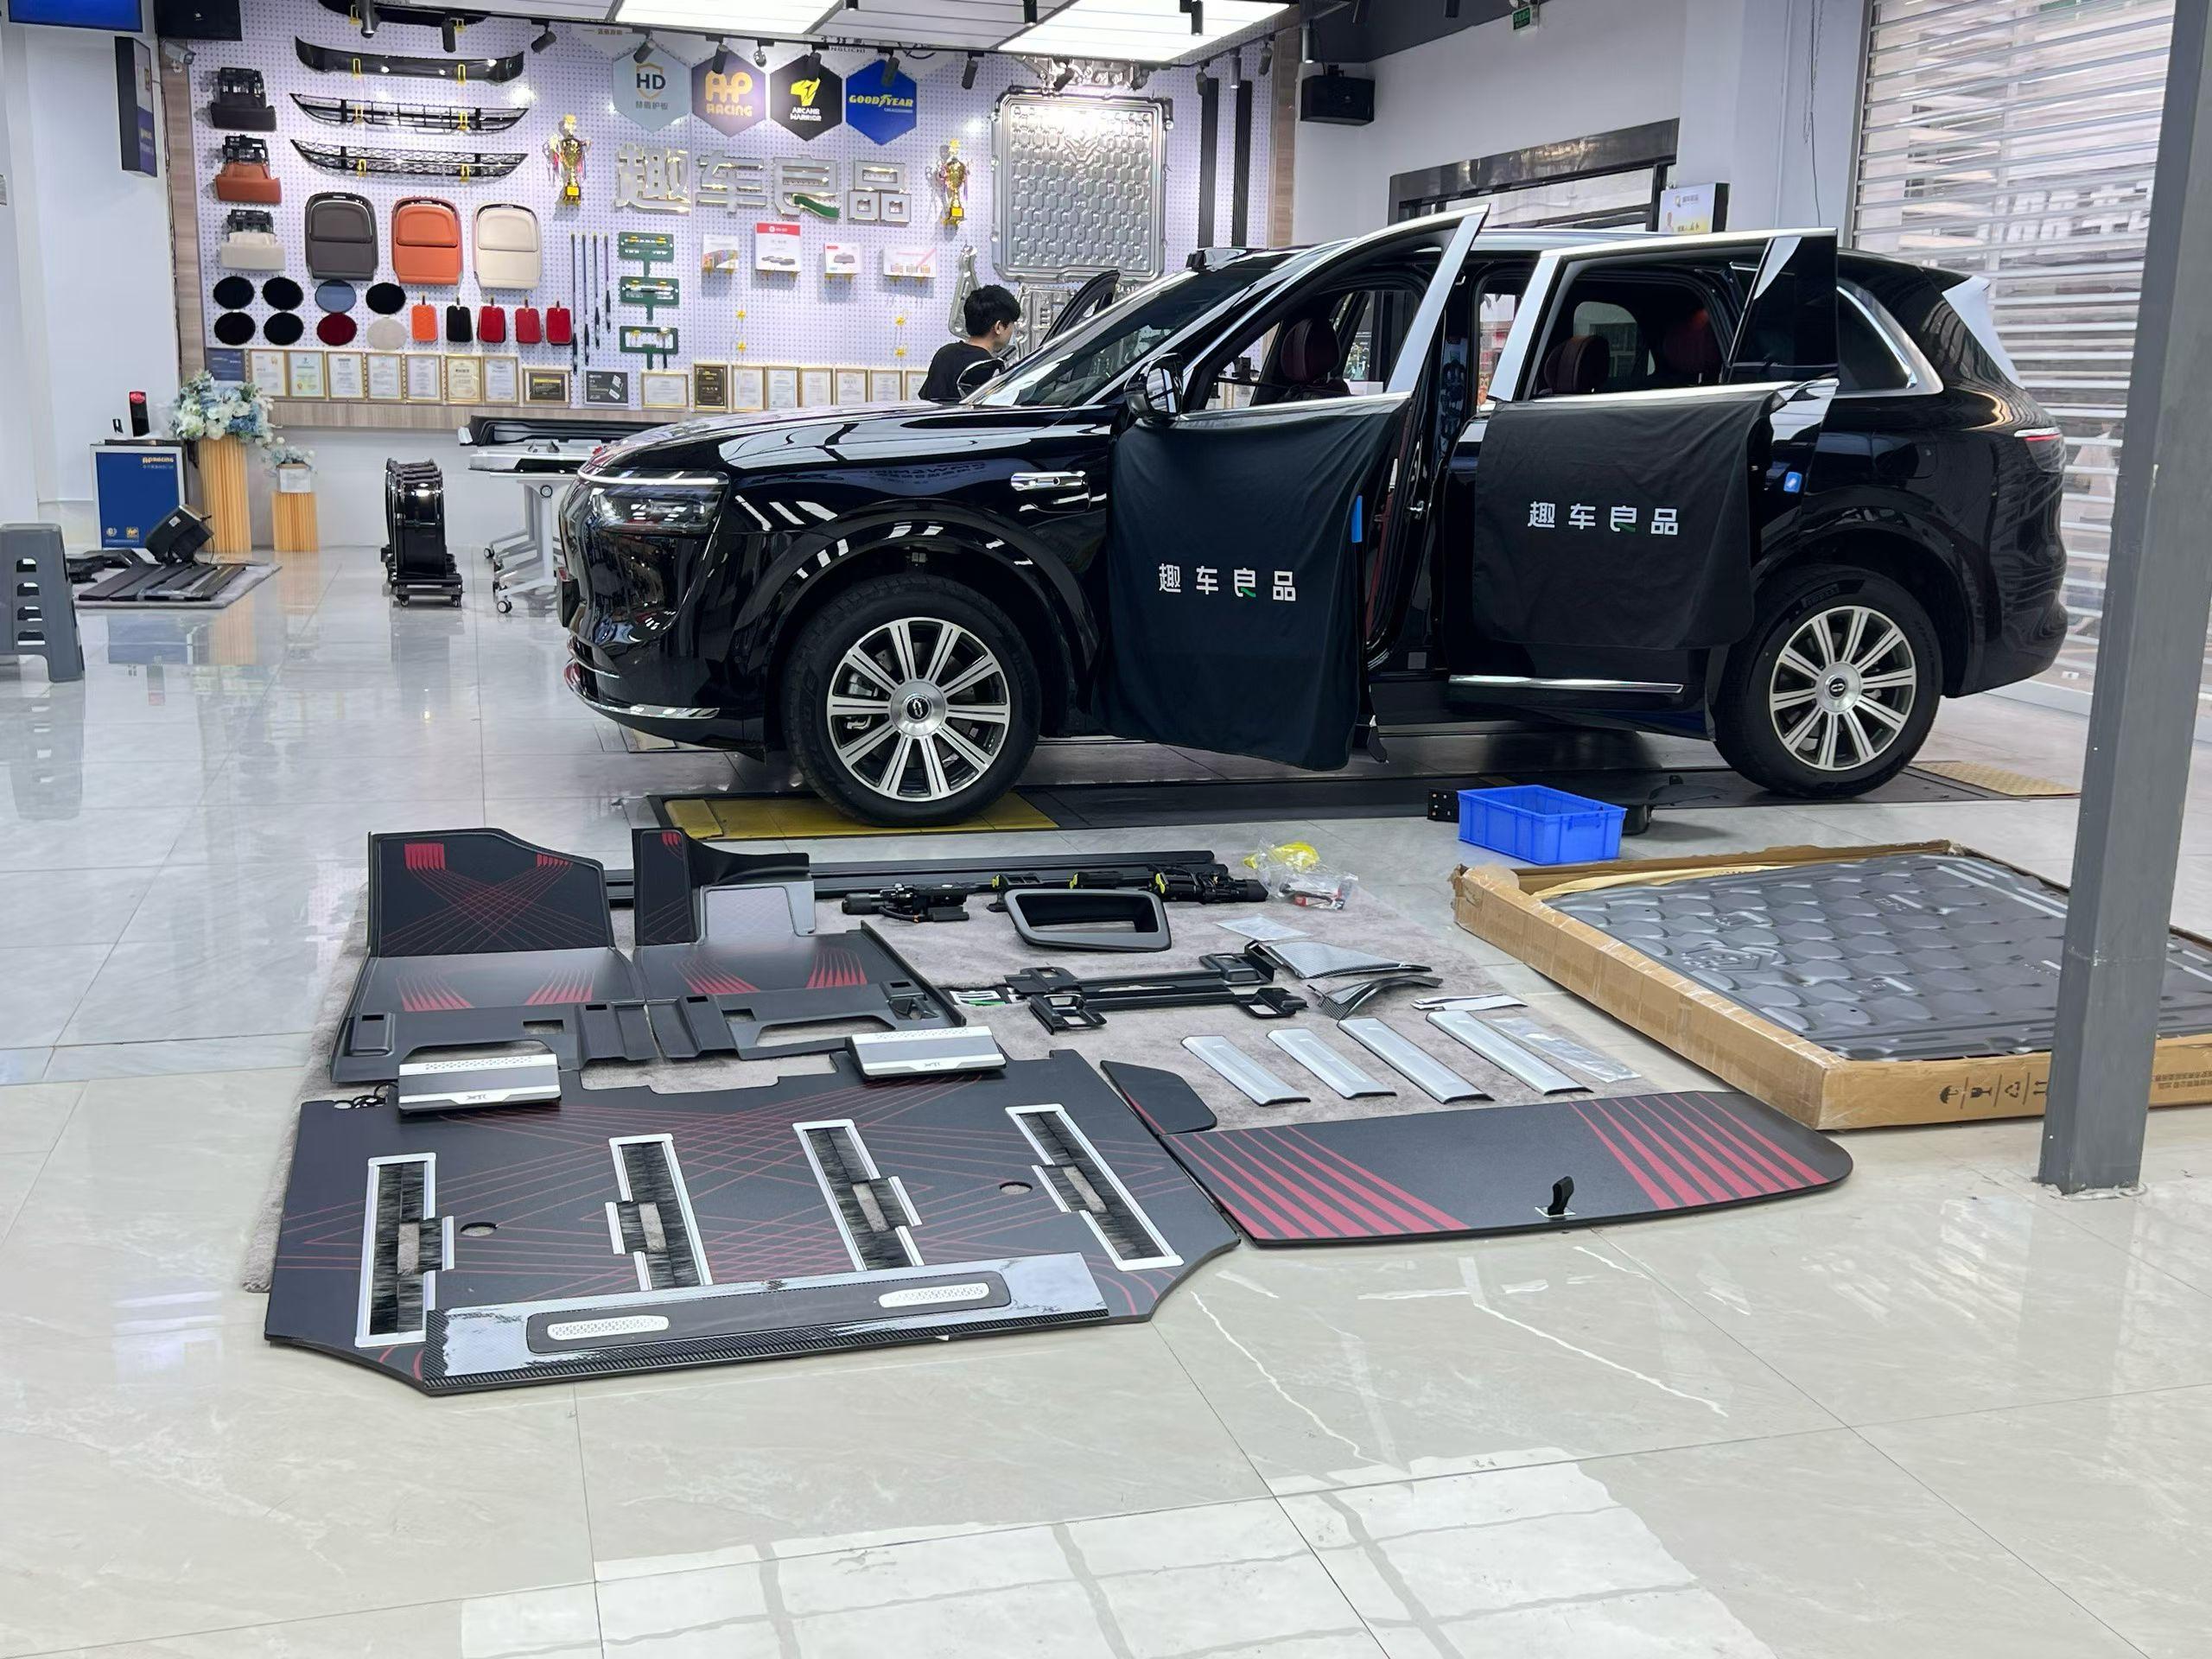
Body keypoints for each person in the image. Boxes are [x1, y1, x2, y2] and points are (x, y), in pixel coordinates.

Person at [920, 284, 1020, 403]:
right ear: (999, 327)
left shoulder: (944, 353)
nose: (1012, 331)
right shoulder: (990, 367)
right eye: (1012, 324)